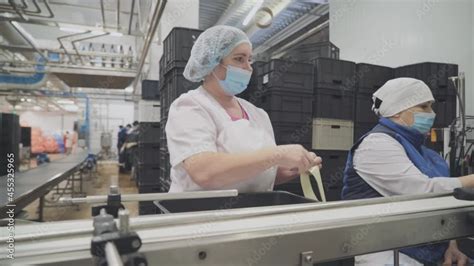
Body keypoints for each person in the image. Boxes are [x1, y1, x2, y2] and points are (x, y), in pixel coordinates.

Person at [165, 25, 322, 193]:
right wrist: (278, 154)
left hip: (248, 214)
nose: (248, 67)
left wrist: (295, 169)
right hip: (199, 214)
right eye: (239, 59)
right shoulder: (190, 107)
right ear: (212, 64)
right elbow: (204, 172)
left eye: (249, 59)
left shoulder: (257, 114)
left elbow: (256, 175)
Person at [342, 78, 474, 265]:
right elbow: (423, 192)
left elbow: (445, 204)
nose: (432, 113)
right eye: (424, 107)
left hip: (430, 251)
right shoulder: (376, 145)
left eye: (431, 106)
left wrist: (451, 245)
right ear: (397, 112)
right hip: (387, 252)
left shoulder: (424, 151)